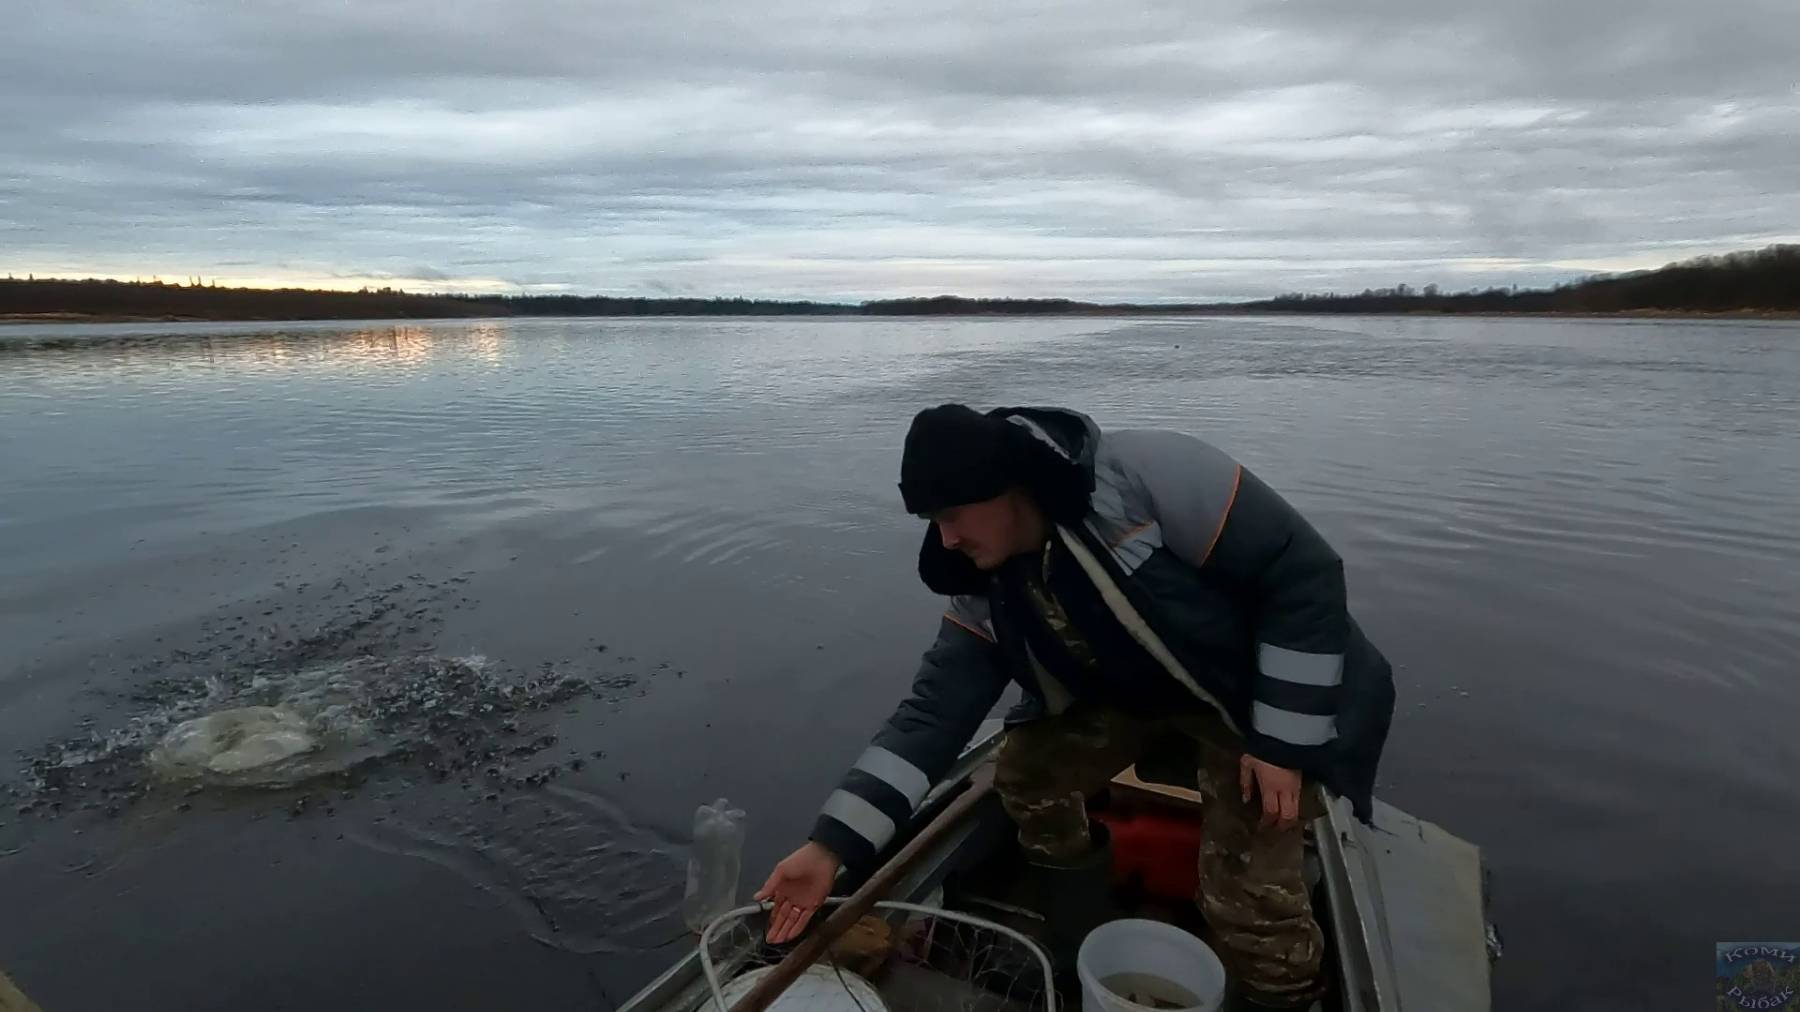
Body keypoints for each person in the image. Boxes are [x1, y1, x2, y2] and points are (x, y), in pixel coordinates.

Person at [755, 405, 1395, 1011]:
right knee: (1028, 775)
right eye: (931, 520)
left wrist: (1283, 745)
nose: (945, 539)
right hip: (1136, 692)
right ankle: (1075, 944)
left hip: (1263, 697)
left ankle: (1282, 997)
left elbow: (1303, 574)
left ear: (1009, 488)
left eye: (953, 513)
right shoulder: (986, 581)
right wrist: (828, 849)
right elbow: (929, 718)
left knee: (1247, 892)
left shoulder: (1152, 475)